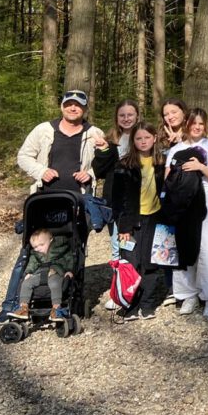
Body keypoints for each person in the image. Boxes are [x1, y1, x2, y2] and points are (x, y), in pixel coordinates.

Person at [0, 90, 107, 325]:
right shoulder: (43, 130)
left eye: (78, 105)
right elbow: (23, 156)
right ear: (62, 106)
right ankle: (11, 305)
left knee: (75, 248)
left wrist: (90, 174)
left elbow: (105, 163)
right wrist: (41, 171)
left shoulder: (94, 133)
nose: (73, 108)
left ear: (85, 108)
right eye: (69, 104)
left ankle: (69, 301)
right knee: (30, 250)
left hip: (78, 202)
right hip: (44, 201)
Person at [167, 108, 208, 319]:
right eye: (194, 123)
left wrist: (200, 166)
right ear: (187, 124)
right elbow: (168, 177)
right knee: (184, 246)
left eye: (201, 123)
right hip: (182, 199)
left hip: (205, 196)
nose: (197, 127)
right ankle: (187, 294)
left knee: (206, 247)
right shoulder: (176, 149)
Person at [110, 122, 166, 320]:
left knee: (151, 262)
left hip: (155, 218)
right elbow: (117, 199)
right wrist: (123, 226)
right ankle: (131, 305)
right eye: (139, 138)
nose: (143, 142)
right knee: (131, 262)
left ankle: (147, 304)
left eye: (147, 137)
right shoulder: (124, 165)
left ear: (154, 138)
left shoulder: (162, 162)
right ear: (133, 141)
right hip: (131, 220)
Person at [93, 100, 140, 284]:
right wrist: (103, 151)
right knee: (117, 245)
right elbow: (99, 171)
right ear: (117, 118)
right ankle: (121, 286)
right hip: (114, 199)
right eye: (122, 115)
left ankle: (137, 282)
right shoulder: (110, 140)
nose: (126, 119)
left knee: (136, 244)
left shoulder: (144, 136)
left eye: (130, 115)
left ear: (137, 116)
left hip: (138, 200)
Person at [8, 228, 74, 322]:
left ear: (51, 241)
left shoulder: (61, 249)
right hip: (39, 273)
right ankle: (23, 308)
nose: (38, 248)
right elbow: (32, 263)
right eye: (35, 247)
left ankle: (56, 308)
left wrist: (69, 270)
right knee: (26, 283)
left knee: (54, 283)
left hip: (56, 271)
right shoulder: (35, 254)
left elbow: (69, 259)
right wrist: (29, 272)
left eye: (42, 245)